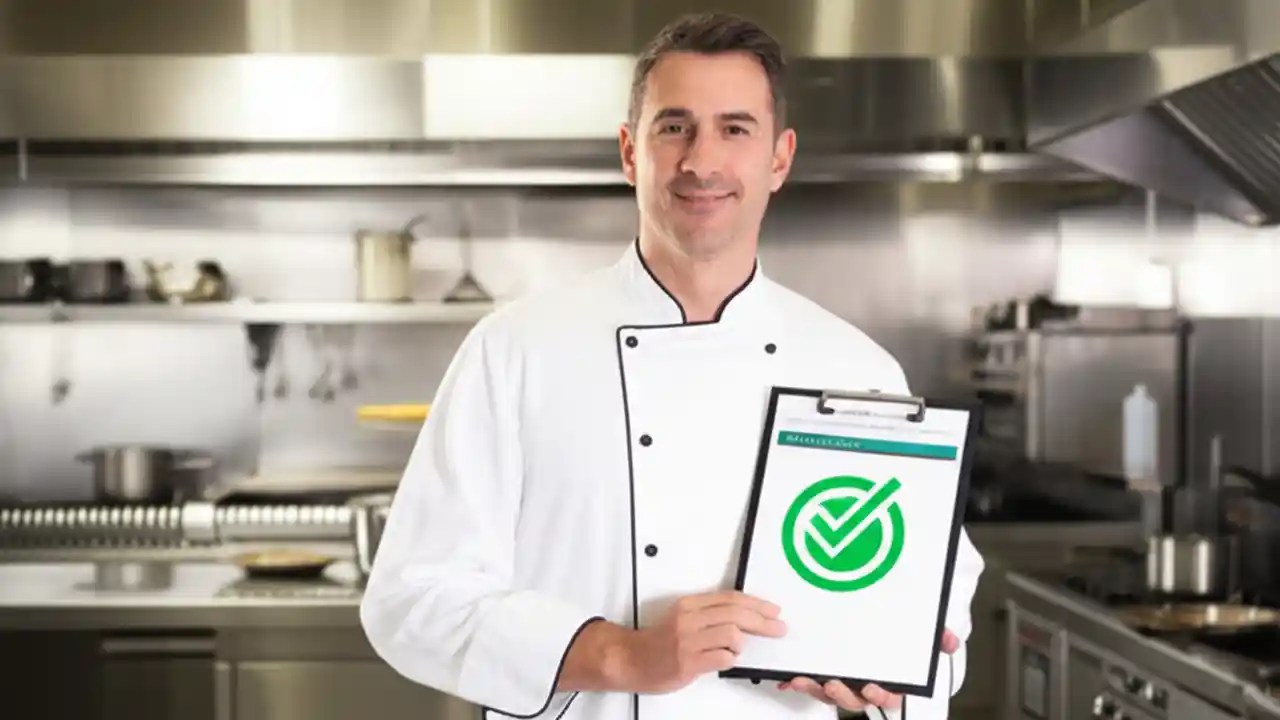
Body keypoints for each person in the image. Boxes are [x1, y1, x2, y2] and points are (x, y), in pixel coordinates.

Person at [360, 11, 984, 720]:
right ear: (631, 152)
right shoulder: (515, 351)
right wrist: (622, 655)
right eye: (675, 127)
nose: (702, 162)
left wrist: (894, 673)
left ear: (779, 159)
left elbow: (939, 607)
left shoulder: (856, 370)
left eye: (735, 129)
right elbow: (412, 599)